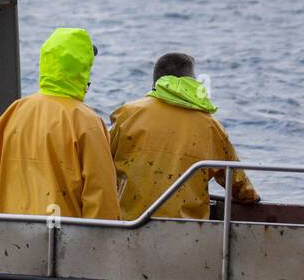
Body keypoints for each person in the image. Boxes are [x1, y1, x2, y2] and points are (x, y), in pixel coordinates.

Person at [0, 28, 121, 220]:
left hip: (13, 236)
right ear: (82, 70)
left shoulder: (13, 112)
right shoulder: (87, 121)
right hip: (62, 240)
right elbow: (101, 196)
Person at [108, 52, 259, 220]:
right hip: (187, 229)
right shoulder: (211, 126)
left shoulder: (127, 113)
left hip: (131, 222)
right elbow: (237, 182)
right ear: (192, 82)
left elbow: (103, 161)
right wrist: (250, 197)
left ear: (155, 83)